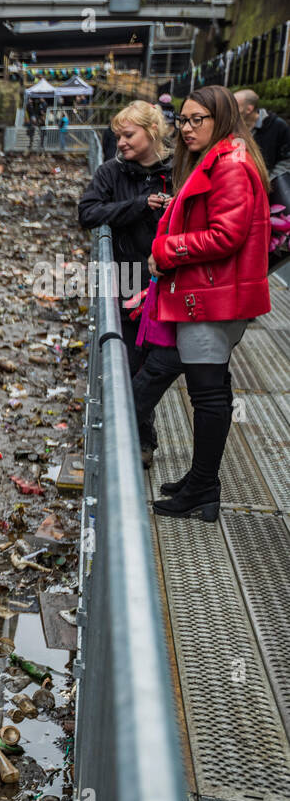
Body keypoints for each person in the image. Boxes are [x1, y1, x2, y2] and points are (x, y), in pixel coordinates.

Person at [138, 85, 271, 521]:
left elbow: (226, 235)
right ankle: (201, 482)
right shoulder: (222, 158)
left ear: (223, 120)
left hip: (213, 299)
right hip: (212, 294)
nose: (187, 128)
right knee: (210, 391)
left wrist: (166, 251)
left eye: (199, 120)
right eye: (184, 119)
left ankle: (203, 490)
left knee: (209, 394)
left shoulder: (229, 164)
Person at [78, 101, 174, 382]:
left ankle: (137, 417)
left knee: (165, 360)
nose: (120, 143)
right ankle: (137, 422)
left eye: (128, 136)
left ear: (152, 130)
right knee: (131, 359)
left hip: (172, 279)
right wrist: (139, 205)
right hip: (129, 278)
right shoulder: (111, 171)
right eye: (117, 136)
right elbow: (87, 213)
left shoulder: (179, 170)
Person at [232, 89, 290, 181]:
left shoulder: (277, 126)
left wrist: (270, 180)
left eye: (235, 106)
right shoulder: (231, 126)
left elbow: (287, 160)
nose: (230, 110)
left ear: (249, 109)